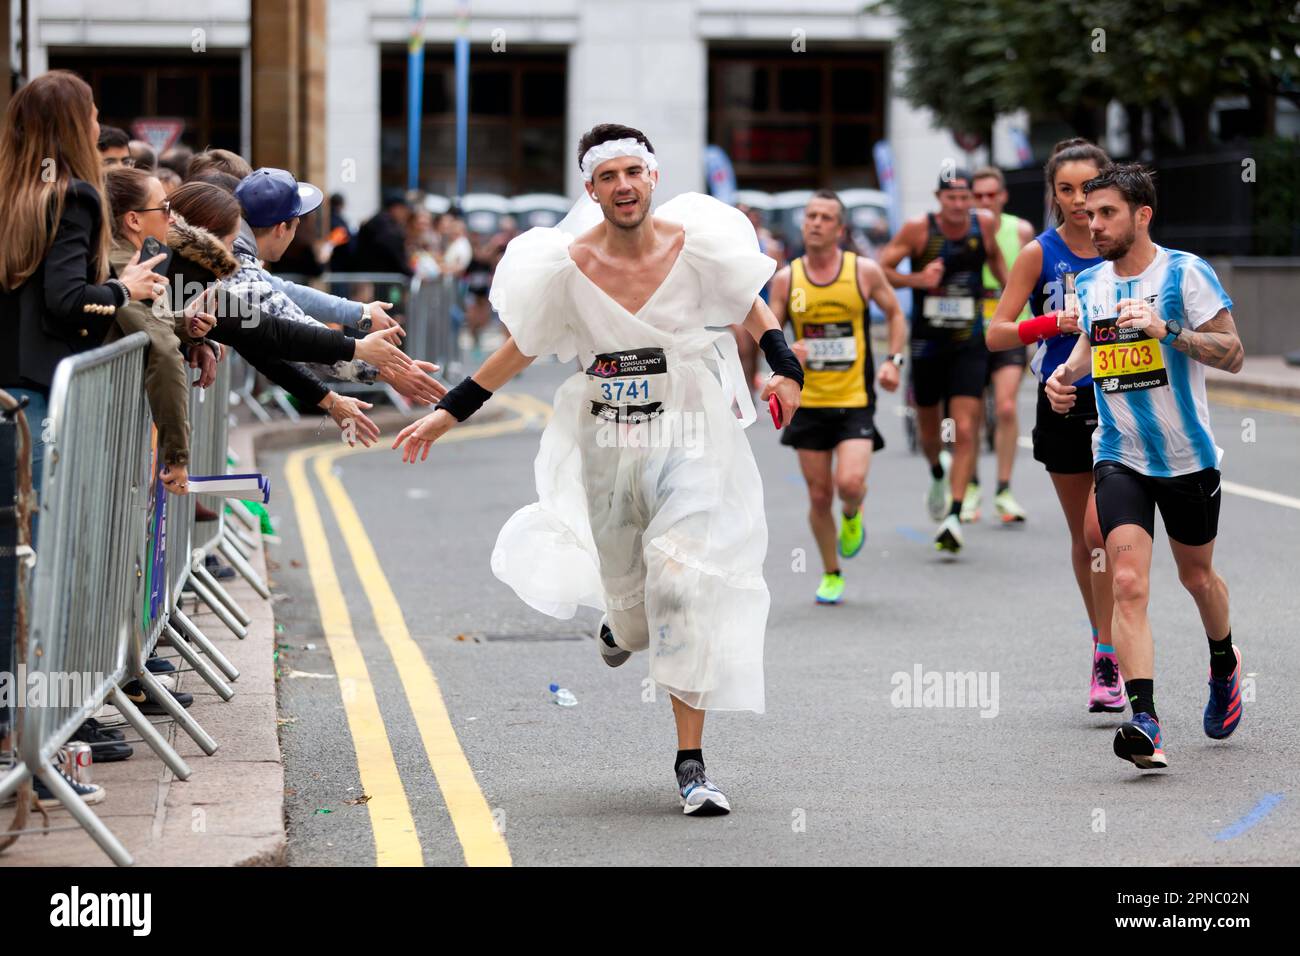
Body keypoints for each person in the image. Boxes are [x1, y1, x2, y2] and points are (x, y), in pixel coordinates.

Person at [393, 123, 803, 816]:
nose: (623, 186)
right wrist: (448, 413)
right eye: (607, 177)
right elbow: (518, 351)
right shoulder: (566, 266)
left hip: (692, 425)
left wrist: (786, 368)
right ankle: (621, 625)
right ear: (591, 189)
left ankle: (691, 764)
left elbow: (750, 304)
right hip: (608, 436)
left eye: (632, 173)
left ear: (652, 180)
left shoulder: (696, 243)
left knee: (683, 583)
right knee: (639, 614)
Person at [0, 70, 170, 803]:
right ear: (74, 125)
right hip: (41, 403)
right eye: (94, 113)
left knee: (15, 575)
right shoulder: (72, 197)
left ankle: (20, 741)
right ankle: (33, 750)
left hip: (7, 401)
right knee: (44, 581)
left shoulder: (11, 194)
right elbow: (69, 303)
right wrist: (123, 293)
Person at [1045, 163, 1245, 770]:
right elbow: (1090, 349)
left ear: (1141, 215)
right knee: (1127, 582)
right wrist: (1064, 376)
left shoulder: (1186, 274)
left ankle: (1223, 662)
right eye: (1087, 212)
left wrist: (1168, 329)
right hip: (1119, 455)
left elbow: (1233, 353)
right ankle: (1147, 723)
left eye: (1106, 212)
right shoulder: (1091, 283)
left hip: (1187, 460)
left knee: (1196, 578)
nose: (1092, 222)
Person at [985, 138, 1122, 713]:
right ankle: (1103, 646)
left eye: (1086, 189)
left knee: (1104, 532)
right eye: (1064, 190)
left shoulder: (1125, 248)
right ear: (1052, 192)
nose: (1075, 201)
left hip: (1125, 400)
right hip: (1062, 401)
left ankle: (1115, 646)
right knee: (1085, 538)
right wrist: (1048, 323)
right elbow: (995, 332)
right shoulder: (1038, 255)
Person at [767, 189, 907, 604]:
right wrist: (784, 356)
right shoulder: (787, 279)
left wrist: (893, 362)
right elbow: (770, 331)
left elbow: (896, 314)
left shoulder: (862, 271)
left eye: (825, 217)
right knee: (818, 494)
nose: (815, 222)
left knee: (849, 483)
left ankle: (852, 514)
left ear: (840, 229)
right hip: (807, 402)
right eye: (810, 215)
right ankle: (831, 572)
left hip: (853, 399)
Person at [878, 167, 1007, 553]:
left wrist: (1012, 301)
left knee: (965, 428)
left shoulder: (982, 227)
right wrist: (918, 280)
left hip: (968, 341)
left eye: (964, 197)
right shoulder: (919, 229)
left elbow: (1001, 267)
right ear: (939, 198)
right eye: (951, 197)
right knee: (932, 432)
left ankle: (953, 514)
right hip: (927, 346)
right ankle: (937, 470)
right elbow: (882, 269)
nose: (958, 204)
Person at [971, 165, 1034, 524]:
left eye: (990, 195)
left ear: (1003, 196)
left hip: (1010, 326)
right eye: (977, 196)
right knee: (972, 415)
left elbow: (1029, 280)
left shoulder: (1020, 230)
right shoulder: (962, 229)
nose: (984, 201)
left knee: (1006, 407)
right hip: (969, 328)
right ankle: (971, 489)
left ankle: (1005, 490)